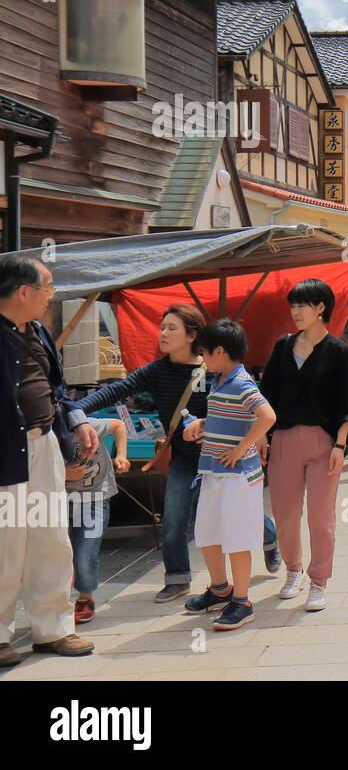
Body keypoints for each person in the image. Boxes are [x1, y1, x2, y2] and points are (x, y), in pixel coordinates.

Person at [66, 303, 281, 602]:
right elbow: (116, 391)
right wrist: (74, 410)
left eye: (171, 328)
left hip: (222, 460)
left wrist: (253, 438)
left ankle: (269, 539)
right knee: (174, 518)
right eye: (162, 327)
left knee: (242, 516)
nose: (163, 333)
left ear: (192, 335)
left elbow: (250, 406)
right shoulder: (155, 371)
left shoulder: (214, 370)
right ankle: (178, 578)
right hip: (183, 458)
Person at [0, 256, 95, 666]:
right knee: (6, 544)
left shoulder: (37, 330)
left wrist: (77, 420)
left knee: (50, 538)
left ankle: (53, 628)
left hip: (43, 447)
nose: (51, 296)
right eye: (48, 287)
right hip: (6, 451)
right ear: (24, 292)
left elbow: (56, 388)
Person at [260, 279, 348, 612]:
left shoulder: (338, 350)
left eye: (302, 305)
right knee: (285, 515)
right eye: (293, 305)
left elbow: (346, 401)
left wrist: (340, 447)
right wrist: (261, 434)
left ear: (321, 308)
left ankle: (319, 581)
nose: (295, 312)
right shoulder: (283, 347)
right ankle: (293, 570)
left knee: (320, 517)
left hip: (323, 441)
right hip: (283, 438)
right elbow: (265, 392)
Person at [180, 319, 276, 631]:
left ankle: (242, 601)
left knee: (236, 539)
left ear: (219, 351)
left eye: (205, 351)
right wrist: (204, 425)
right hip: (214, 472)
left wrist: (241, 449)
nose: (202, 357)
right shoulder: (223, 380)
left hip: (236, 476)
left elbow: (267, 416)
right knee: (207, 534)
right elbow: (232, 415)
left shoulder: (240, 382)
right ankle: (221, 590)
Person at [66, 416, 129, 624]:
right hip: (59, 499)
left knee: (85, 552)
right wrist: (63, 474)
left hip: (95, 498)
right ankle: (62, 597)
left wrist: (120, 455)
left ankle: (85, 597)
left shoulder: (86, 424)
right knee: (62, 552)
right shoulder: (47, 434)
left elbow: (118, 425)